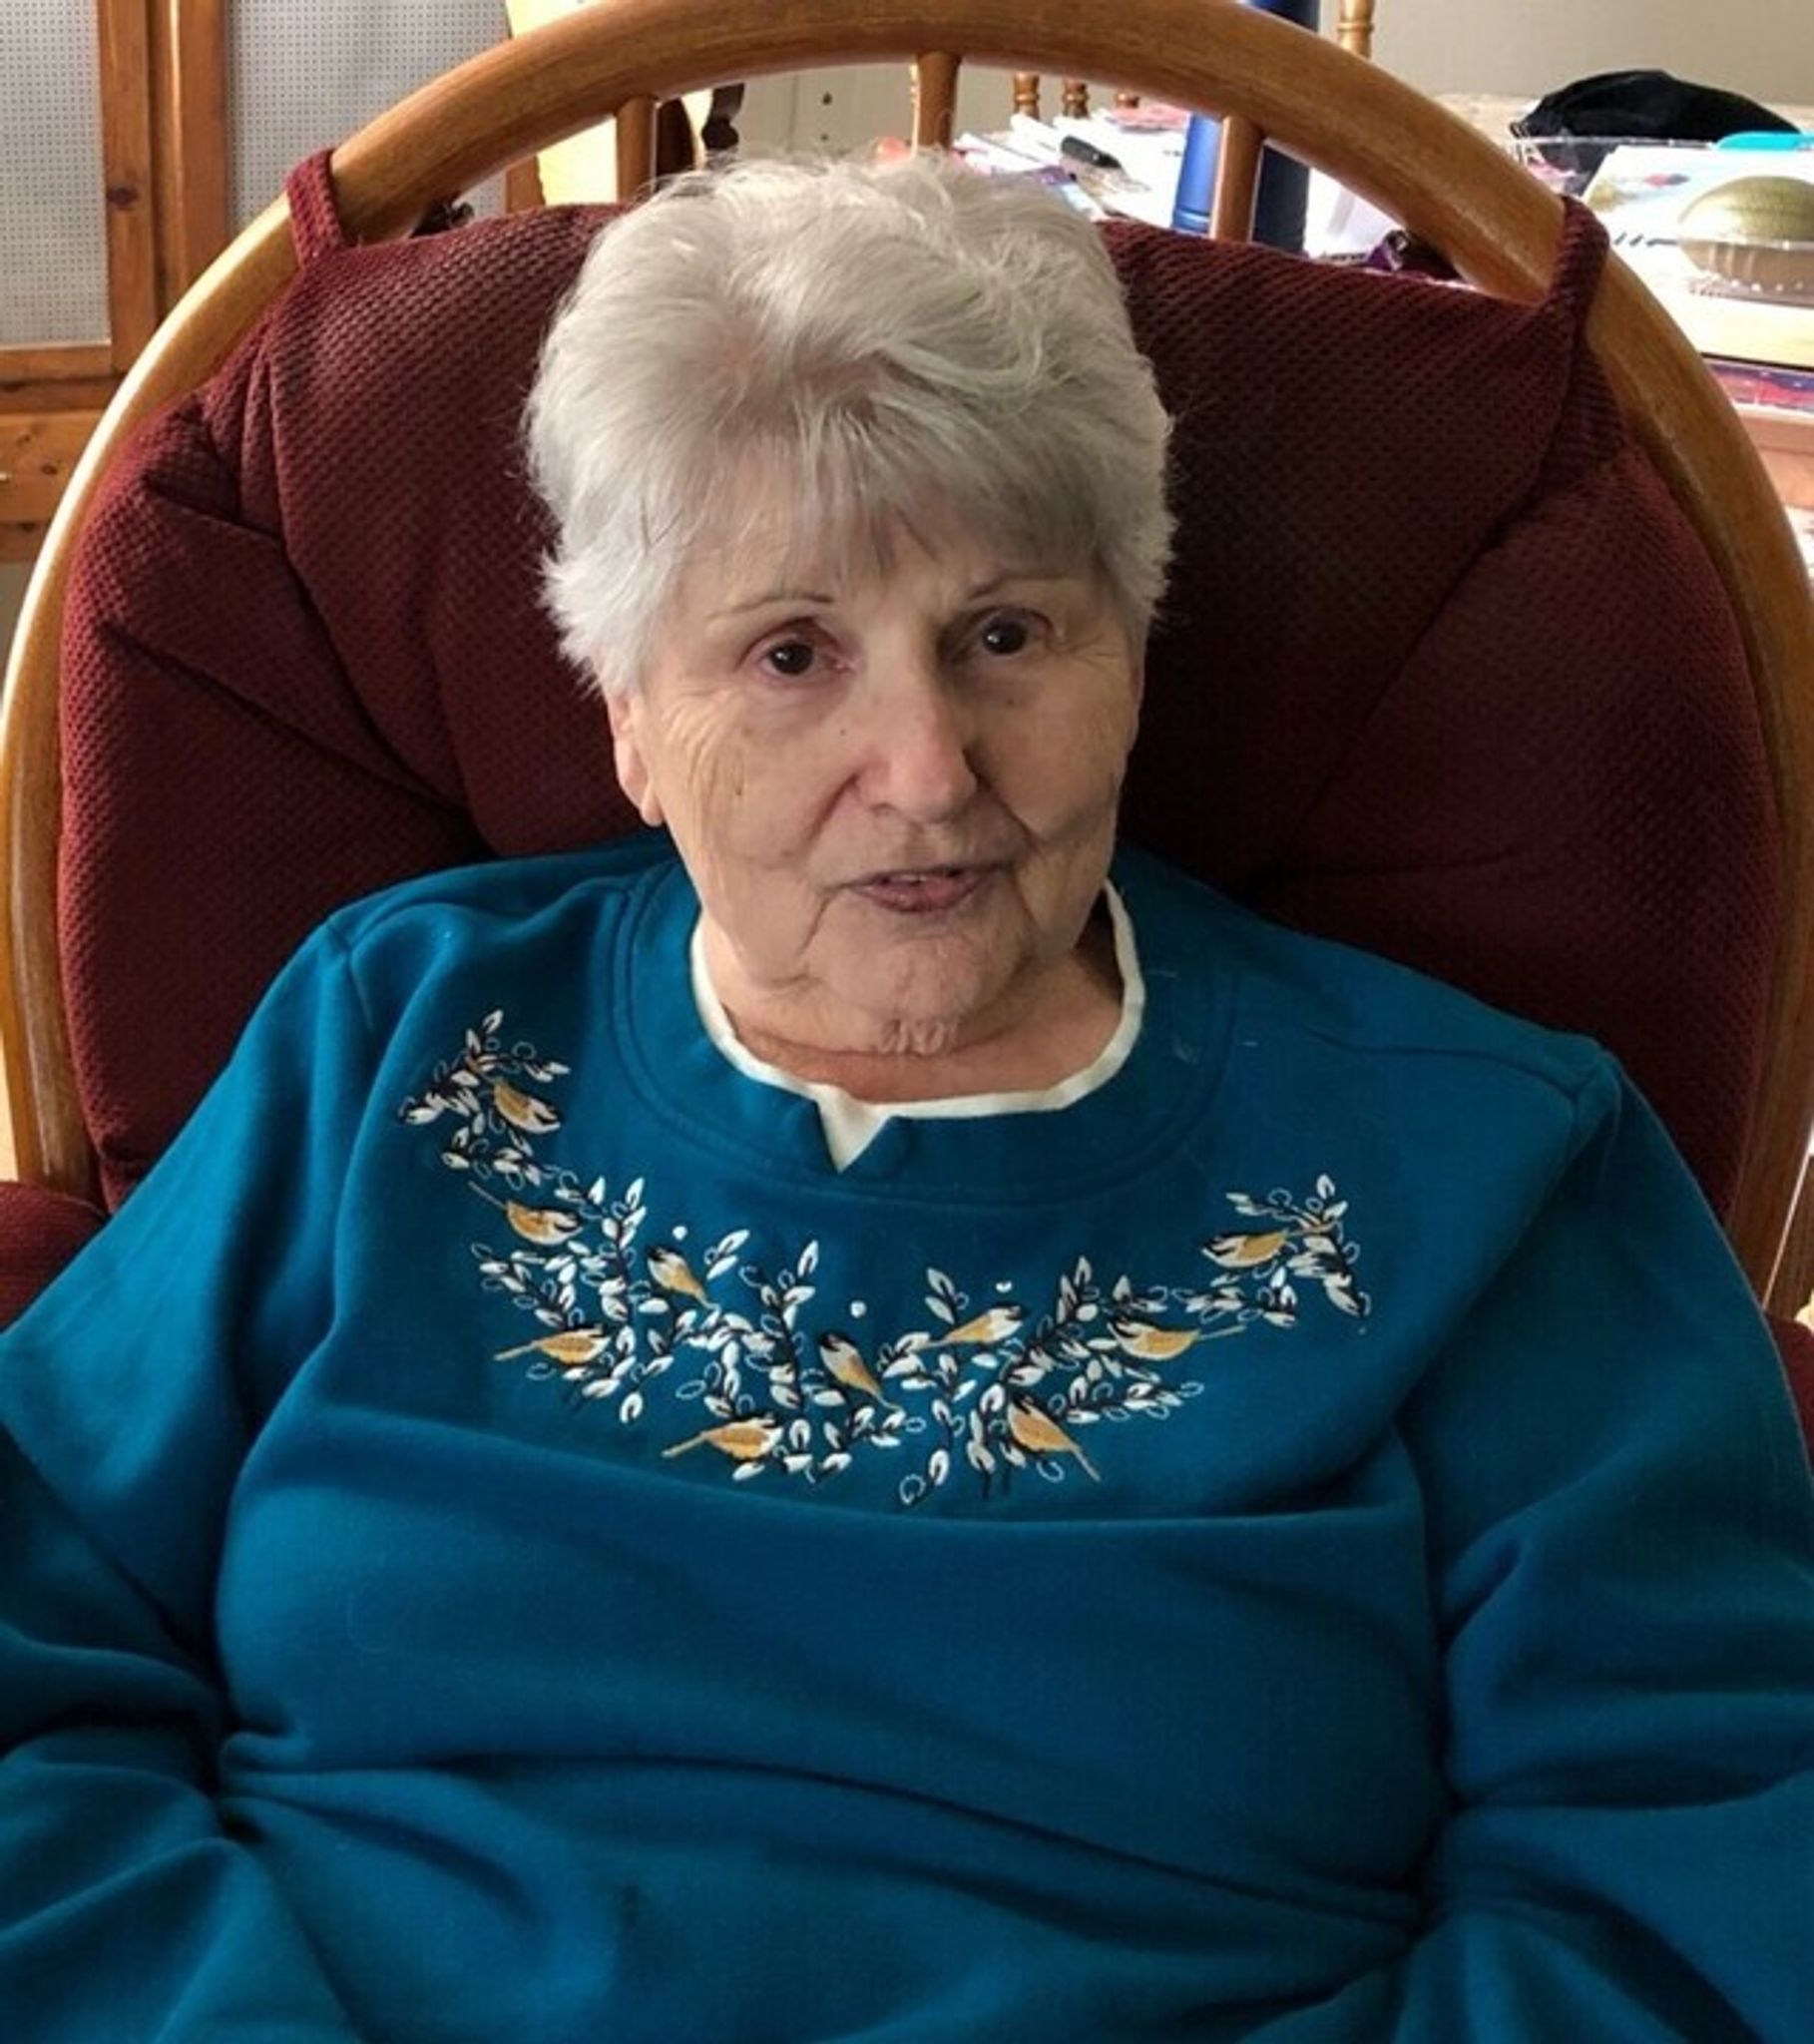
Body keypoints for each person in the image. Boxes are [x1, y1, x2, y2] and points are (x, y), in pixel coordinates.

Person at [0, 152, 1809, 2044]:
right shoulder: (397, 1029)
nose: (926, 771)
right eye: (790, 655)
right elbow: (41, 1604)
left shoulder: (1484, 1158)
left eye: (1005, 634)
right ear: (630, 718)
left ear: (1132, 652)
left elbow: (1689, 1859)